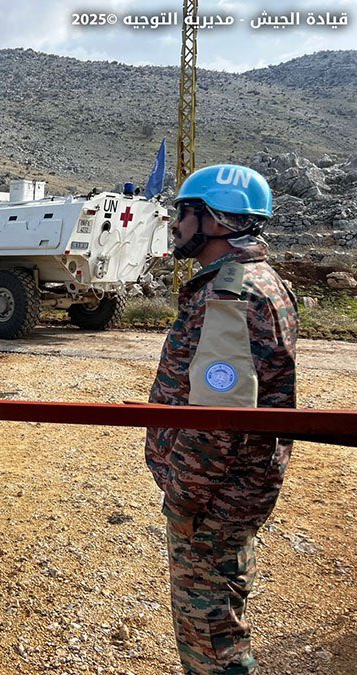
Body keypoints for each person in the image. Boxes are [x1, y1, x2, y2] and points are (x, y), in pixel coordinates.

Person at [145, 164, 298, 674]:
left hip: (212, 500)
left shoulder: (229, 294)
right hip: (234, 494)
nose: (174, 223)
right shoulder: (261, 281)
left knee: (211, 641)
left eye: (183, 213)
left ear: (215, 220)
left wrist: (184, 499)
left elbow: (218, 421)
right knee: (223, 613)